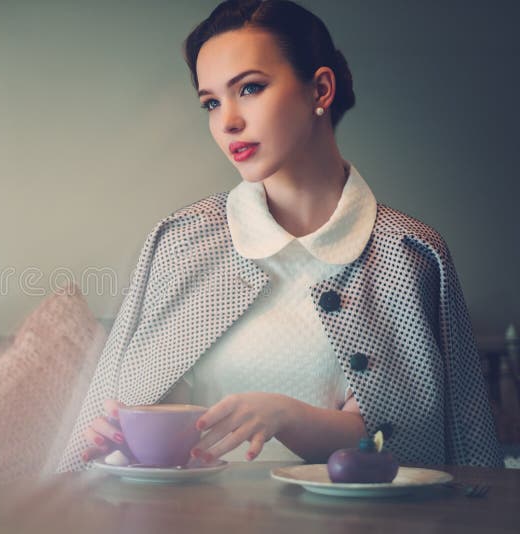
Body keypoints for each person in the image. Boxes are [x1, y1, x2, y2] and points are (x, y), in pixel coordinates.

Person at [57, 0, 503, 472]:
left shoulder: (409, 254)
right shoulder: (183, 242)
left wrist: (285, 415)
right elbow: (150, 418)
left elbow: (402, 442)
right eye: (211, 102)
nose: (227, 120)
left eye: (250, 88)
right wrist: (126, 442)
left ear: (321, 88)